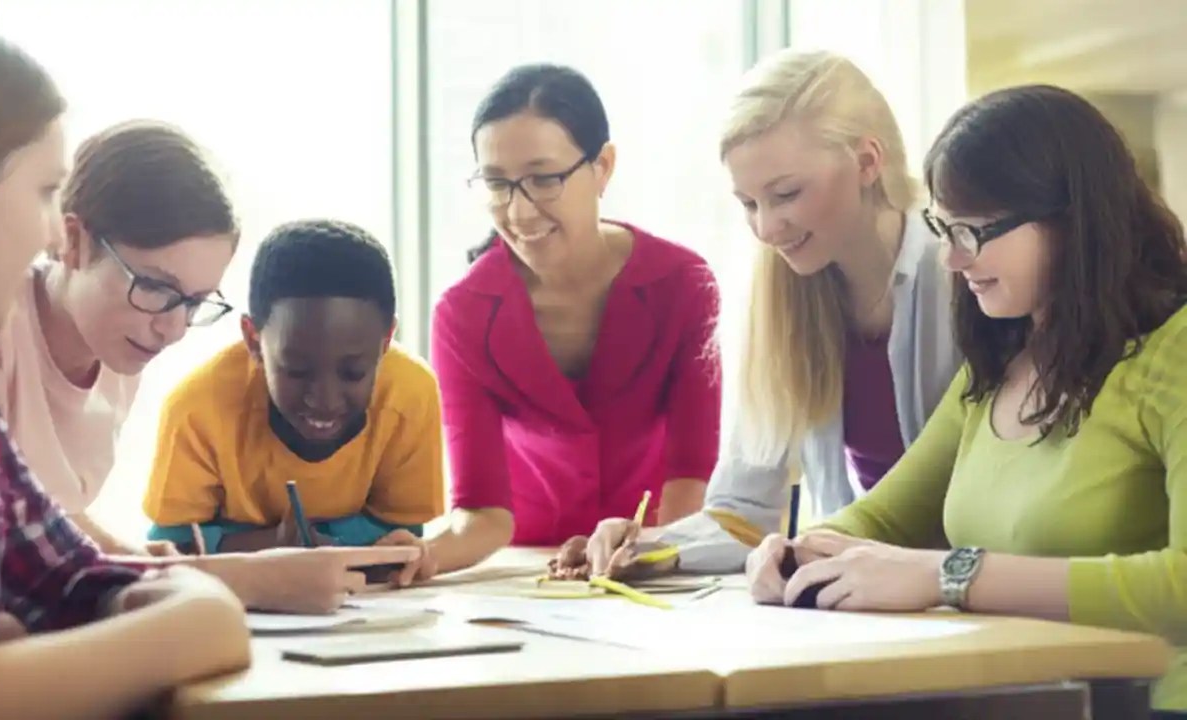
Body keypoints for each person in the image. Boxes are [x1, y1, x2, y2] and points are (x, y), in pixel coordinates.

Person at [746, 85, 1187, 715]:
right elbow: (881, 520)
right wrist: (799, 552)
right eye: (943, 228)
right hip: (1022, 696)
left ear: (1071, 218)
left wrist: (948, 575)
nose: (951, 258)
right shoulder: (1002, 361)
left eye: (974, 231)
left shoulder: (1175, 351)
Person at [0, 17, 249, 718]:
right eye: (43, 192)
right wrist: (191, 621)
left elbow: (62, 572)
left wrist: (181, 605)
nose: (48, 232)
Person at [566, 49, 961, 579]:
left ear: (868, 162)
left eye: (786, 194)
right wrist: (650, 548)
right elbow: (744, 514)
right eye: (749, 204)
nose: (767, 229)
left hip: (960, 585)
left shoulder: (965, 276)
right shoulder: (780, 296)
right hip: (865, 590)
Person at [428, 63, 723, 573]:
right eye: (497, 183)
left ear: (602, 167)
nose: (519, 213)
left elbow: (691, 477)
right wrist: (415, 557)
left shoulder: (683, 284)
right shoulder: (462, 315)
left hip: (653, 556)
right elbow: (479, 512)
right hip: (529, 571)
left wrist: (652, 552)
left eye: (544, 180)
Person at [0, 118, 237, 556]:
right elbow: (3, 521)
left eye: (195, 302)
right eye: (154, 287)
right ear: (73, 241)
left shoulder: (120, 352)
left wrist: (129, 558)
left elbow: (54, 516)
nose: (174, 329)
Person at [143, 219, 444, 579]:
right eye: (297, 371)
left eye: (353, 373)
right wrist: (278, 544)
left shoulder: (409, 394)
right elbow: (168, 548)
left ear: (386, 342)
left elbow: (402, 532)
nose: (325, 400)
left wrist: (314, 544)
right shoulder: (198, 409)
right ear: (253, 340)